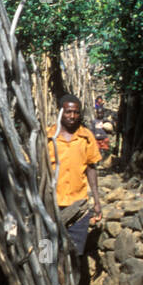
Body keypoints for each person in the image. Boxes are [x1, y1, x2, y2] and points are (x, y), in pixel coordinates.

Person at [48, 95, 102, 261]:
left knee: (75, 255)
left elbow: (91, 169)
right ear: (60, 112)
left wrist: (97, 201)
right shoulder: (47, 137)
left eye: (76, 112)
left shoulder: (86, 137)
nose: (72, 116)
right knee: (46, 253)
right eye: (68, 112)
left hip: (78, 206)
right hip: (50, 205)